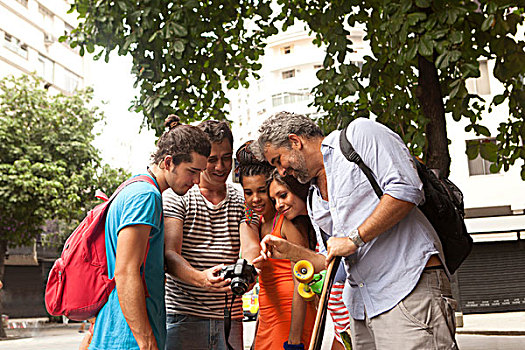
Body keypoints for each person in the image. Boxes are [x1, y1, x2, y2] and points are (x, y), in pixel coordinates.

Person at [253, 112, 458, 350]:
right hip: (362, 309)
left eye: (278, 160)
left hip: (407, 289)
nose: (282, 171)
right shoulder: (314, 198)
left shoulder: (359, 135)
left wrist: (354, 239)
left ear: (295, 141)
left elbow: (407, 189)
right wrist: (289, 251)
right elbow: (335, 267)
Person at [88, 115, 211, 350]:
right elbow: (125, 271)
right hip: (129, 340)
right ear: (168, 162)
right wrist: (146, 342)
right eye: (192, 171)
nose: (196, 181)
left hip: (122, 334)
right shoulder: (146, 196)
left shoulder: (134, 187)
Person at [163, 120, 258, 350]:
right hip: (183, 315)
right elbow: (169, 254)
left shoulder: (242, 200)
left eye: (226, 158)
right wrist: (202, 279)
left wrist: (249, 269)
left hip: (230, 317)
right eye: (212, 160)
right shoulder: (178, 195)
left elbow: (250, 245)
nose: (220, 166)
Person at [237, 142, 316, 350]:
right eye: (248, 192)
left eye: (262, 191)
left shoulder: (287, 222)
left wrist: (294, 339)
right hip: (267, 315)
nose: (255, 199)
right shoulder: (256, 223)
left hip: (292, 315)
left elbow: (302, 282)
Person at [268, 170, 352, 350]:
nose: (278, 205)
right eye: (274, 200)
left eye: (283, 195)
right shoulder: (306, 227)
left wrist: (294, 342)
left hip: (354, 321)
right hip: (340, 326)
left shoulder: (330, 220)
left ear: (298, 188)